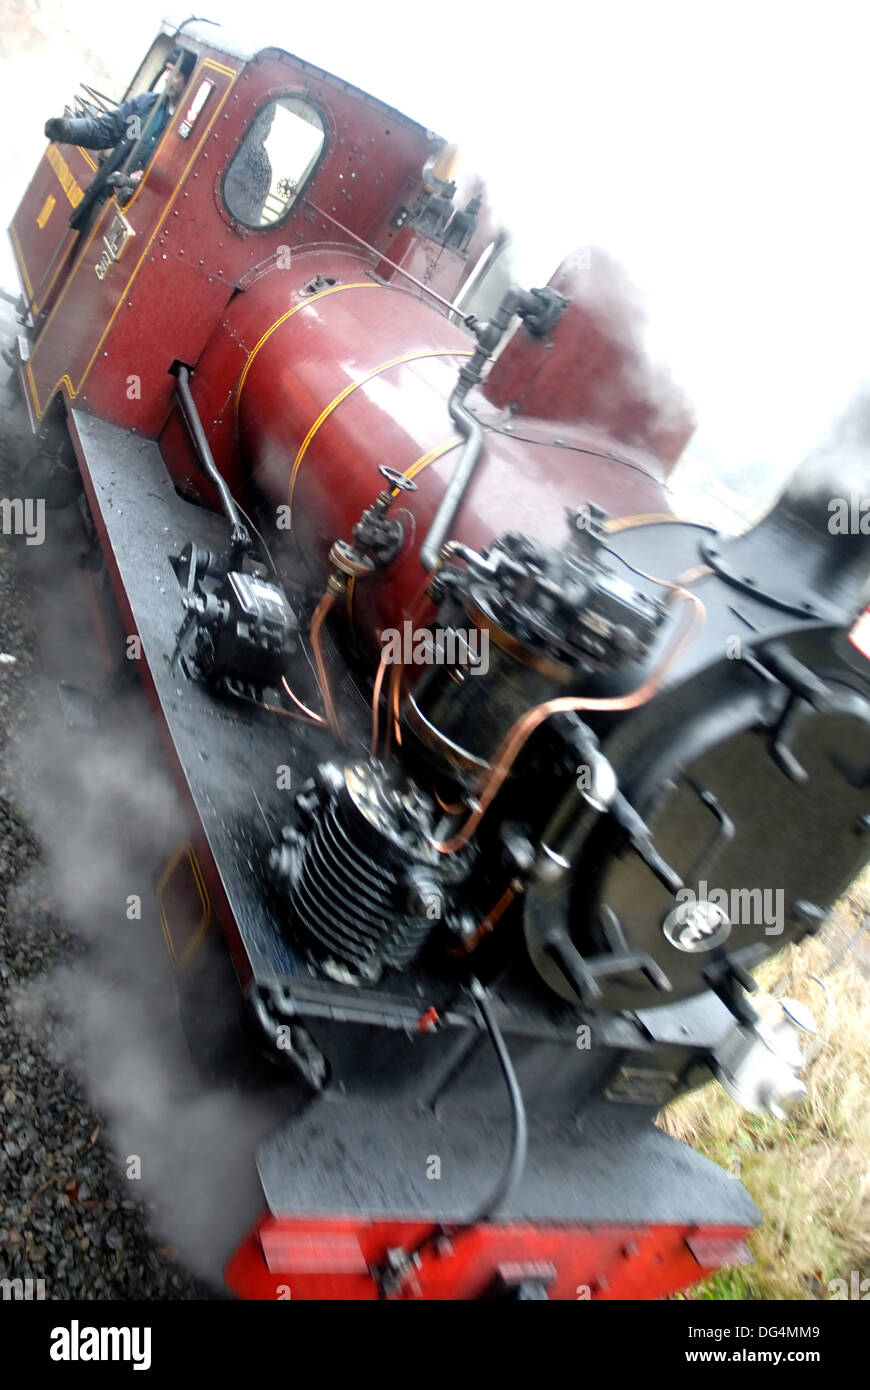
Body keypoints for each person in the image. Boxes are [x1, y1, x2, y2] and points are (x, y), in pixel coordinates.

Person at [43, 47, 194, 232]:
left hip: (136, 221)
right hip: (106, 201)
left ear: (190, 81)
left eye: (176, 74)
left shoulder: (189, 129)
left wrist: (144, 177)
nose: (168, 78)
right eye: (168, 70)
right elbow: (107, 129)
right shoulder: (146, 106)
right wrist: (68, 129)